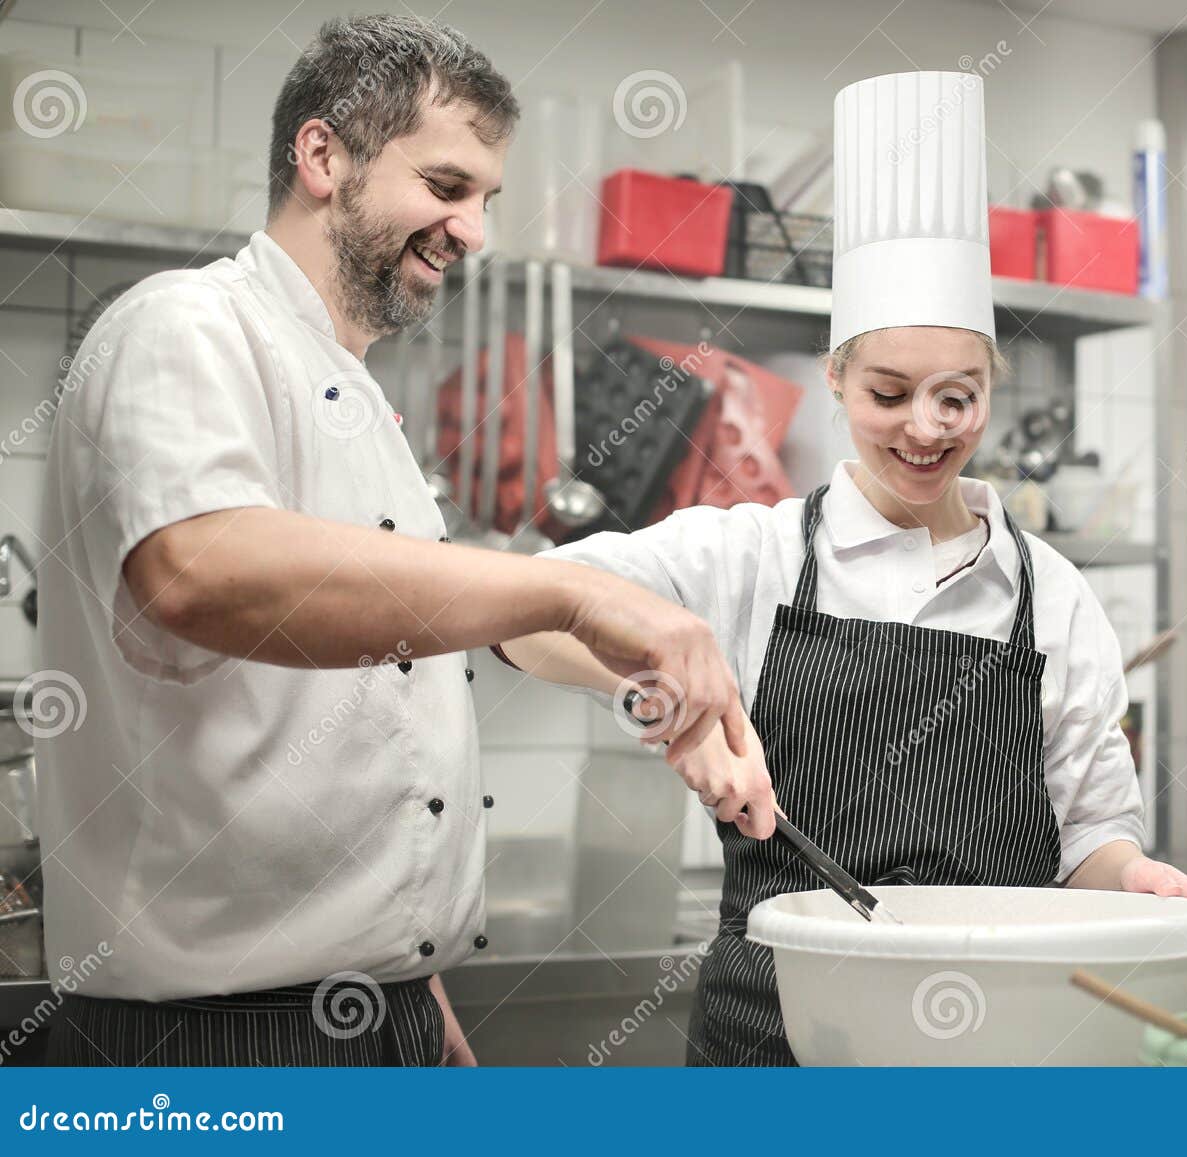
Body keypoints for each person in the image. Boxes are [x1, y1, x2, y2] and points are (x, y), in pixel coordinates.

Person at [34, 15, 743, 1067]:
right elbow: (199, 570)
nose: (475, 231)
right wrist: (571, 594)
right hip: (212, 1040)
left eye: (486, 201)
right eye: (448, 187)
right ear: (324, 156)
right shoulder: (184, 325)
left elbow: (383, 674)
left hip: (377, 1011)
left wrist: (408, 974)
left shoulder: (363, 400)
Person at [492, 71, 1187, 1067]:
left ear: (990, 388)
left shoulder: (1051, 595)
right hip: (772, 1048)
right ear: (834, 380)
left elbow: (1091, 835)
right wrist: (663, 686)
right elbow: (517, 616)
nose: (924, 427)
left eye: (956, 398)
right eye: (888, 391)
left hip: (995, 1049)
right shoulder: (751, 552)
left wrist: (1132, 882)